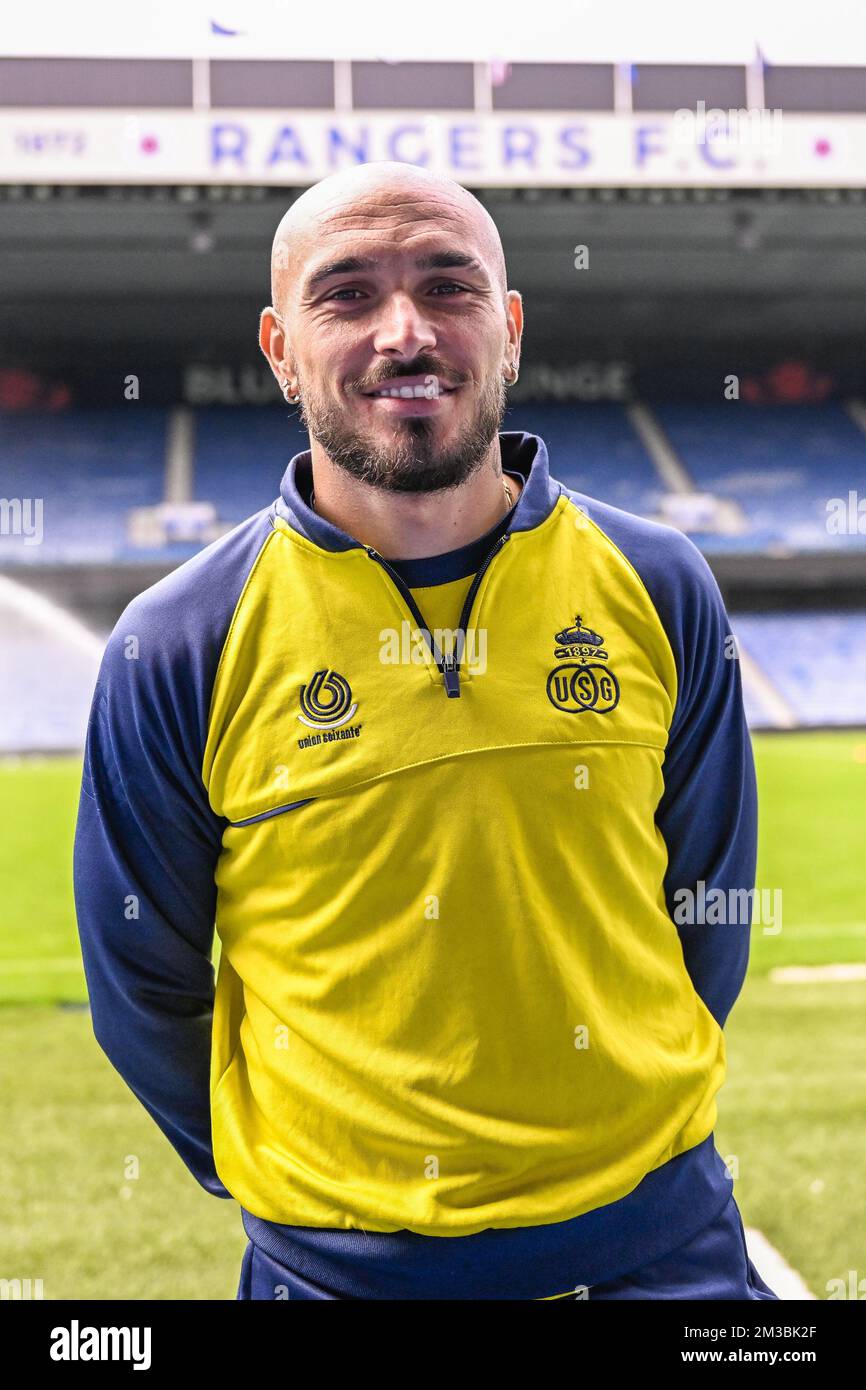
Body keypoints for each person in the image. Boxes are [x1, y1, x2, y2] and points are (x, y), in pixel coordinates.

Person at [73, 161, 778, 1301]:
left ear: (506, 331)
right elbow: (141, 982)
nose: (406, 332)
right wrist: (314, 1188)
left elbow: (707, 908)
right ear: (277, 347)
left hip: (661, 1249)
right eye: (345, 294)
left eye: (448, 288)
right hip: (336, 1274)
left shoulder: (657, 582)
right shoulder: (180, 639)